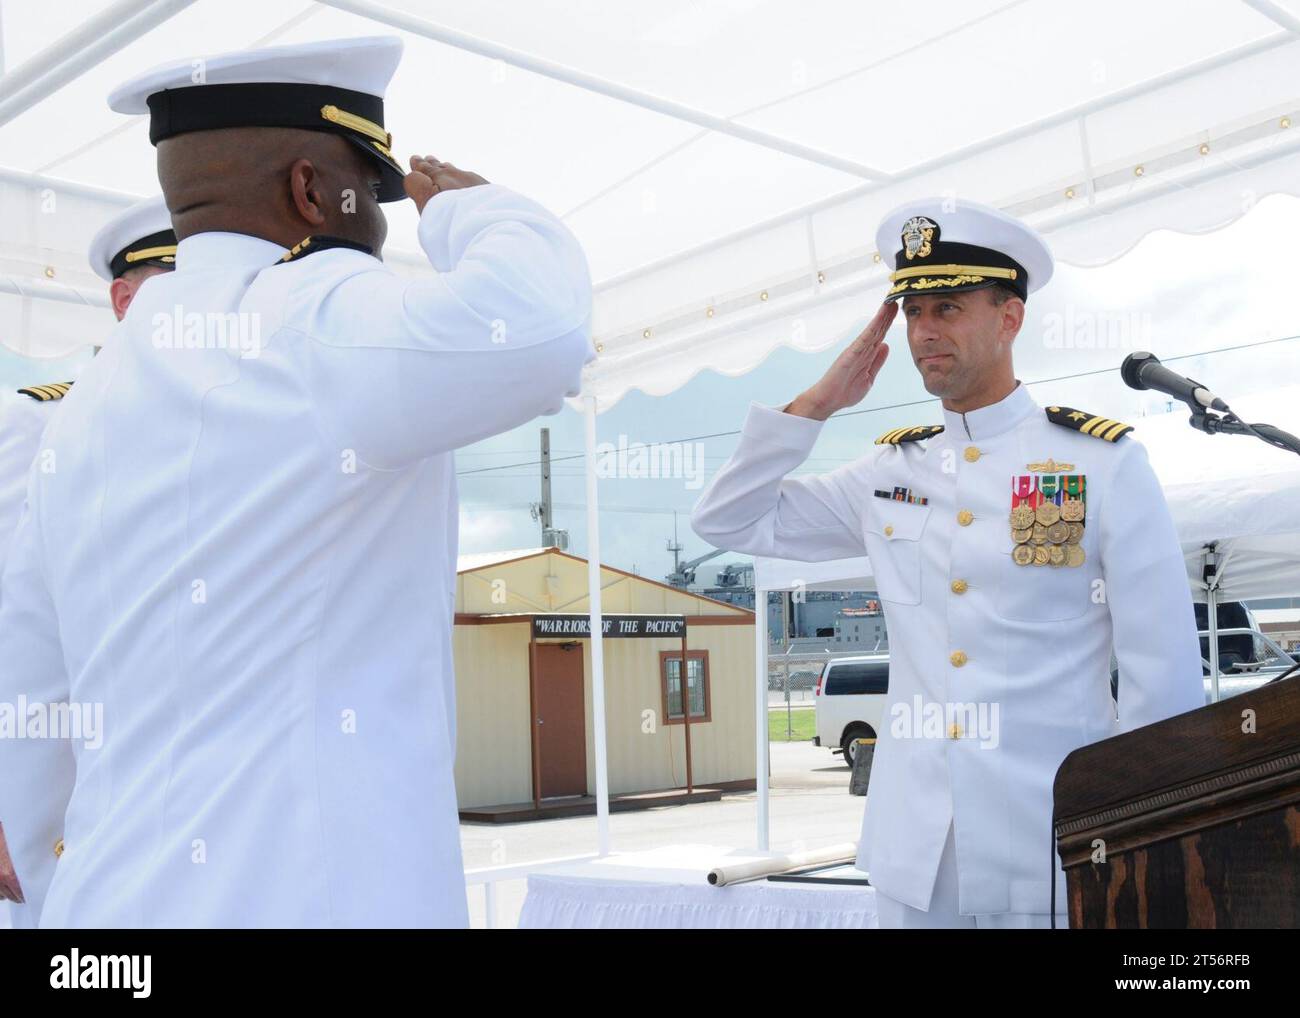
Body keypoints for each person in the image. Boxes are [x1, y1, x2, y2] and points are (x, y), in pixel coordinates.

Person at [0, 35, 593, 928]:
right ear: (311, 190)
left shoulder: (81, 408)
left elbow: (32, 687)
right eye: (377, 198)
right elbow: (541, 331)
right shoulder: (301, 318)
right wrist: (477, 214)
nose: (386, 227)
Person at [691, 198, 1203, 929]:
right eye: (912, 312)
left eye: (949, 308)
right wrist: (818, 402)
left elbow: (1164, 681)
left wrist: (1138, 834)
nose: (924, 332)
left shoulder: (1101, 464)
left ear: (1009, 317)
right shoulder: (887, 471)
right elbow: (726, 518)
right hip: (916, 854)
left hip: (1051, 845)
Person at [0, 196, 176, 926]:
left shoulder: (246, 423)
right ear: (124, 299)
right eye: (182, 282)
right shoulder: (37, 423)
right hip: (56, 800)